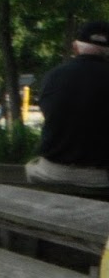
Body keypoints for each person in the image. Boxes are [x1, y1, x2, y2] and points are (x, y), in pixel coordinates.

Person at [26, 20, 109, 194]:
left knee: (31, 166)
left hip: (53, 172)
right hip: (99, 177)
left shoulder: (53, 76)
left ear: (75, 48)